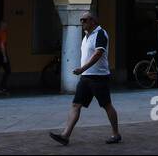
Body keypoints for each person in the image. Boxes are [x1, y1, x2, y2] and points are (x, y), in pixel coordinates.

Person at [50, 11, 122, 146]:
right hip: (85, 77)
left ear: (93, 21)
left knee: (107, 105)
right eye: (81, 20)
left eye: (84, 20)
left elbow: (98, 54)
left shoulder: (100, 33)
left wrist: (82, 68)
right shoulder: (86, 36)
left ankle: (116, 134)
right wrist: (83, 71)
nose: (81, 22)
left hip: (99, 77)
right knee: (76, 104)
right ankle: (65, 135)